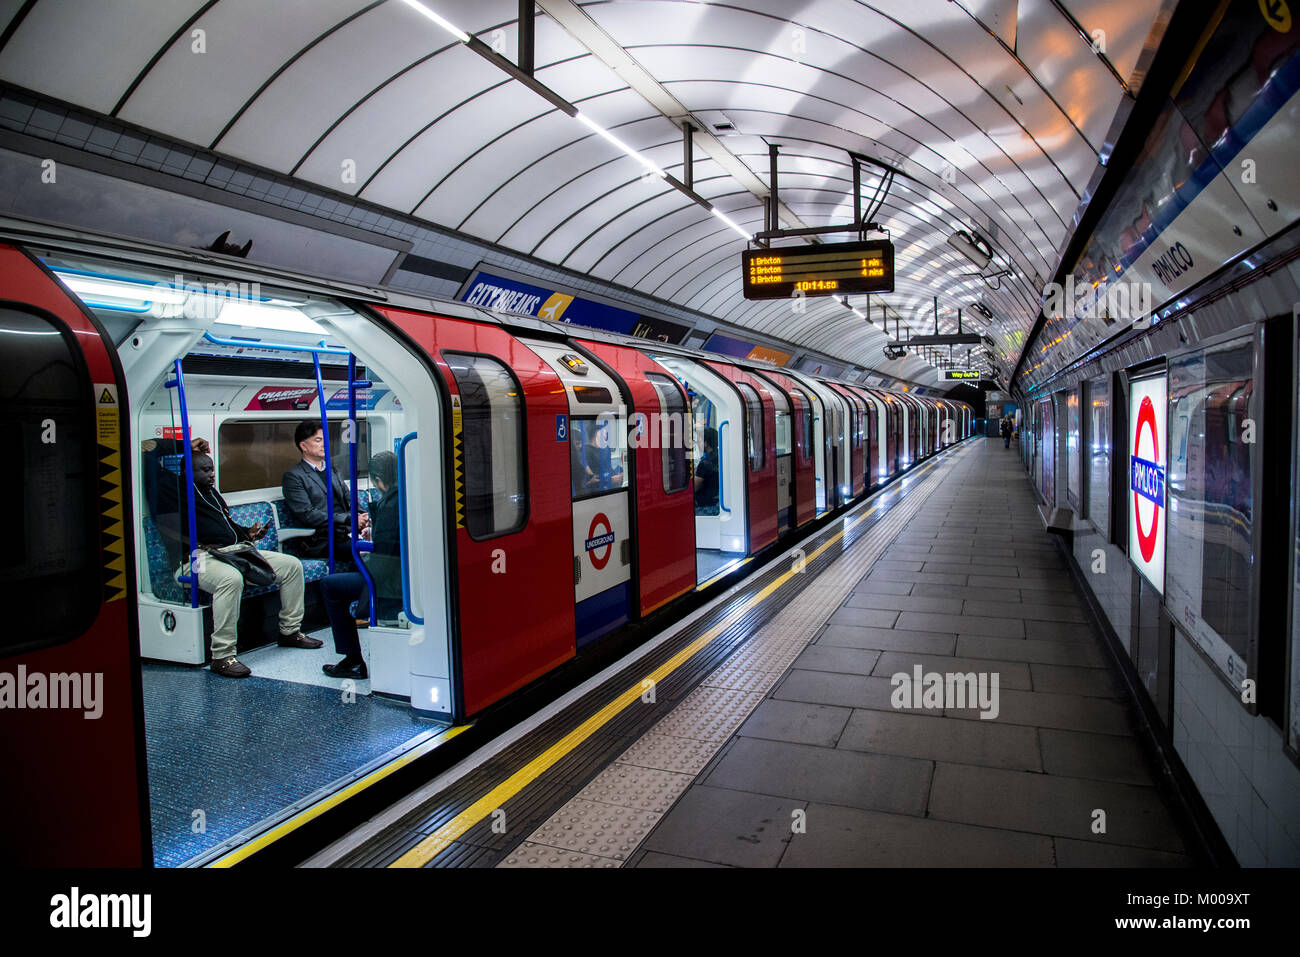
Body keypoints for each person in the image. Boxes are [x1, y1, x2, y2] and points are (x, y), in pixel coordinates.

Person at [151, 436, 320, 679]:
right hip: (195, 560)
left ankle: (290, 632)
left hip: (234, 551)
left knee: (292, 566)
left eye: (212, 469)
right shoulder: (174, 490)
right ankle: (222, 656)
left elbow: (226, 527)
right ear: (187, 471)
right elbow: (148, 453)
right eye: (205, 470)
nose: (212, 475)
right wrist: (184, 446)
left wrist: (247, 533)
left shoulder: (212, 494)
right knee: (230, 579)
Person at [317, 451, 402, 679]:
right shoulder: (406, 495)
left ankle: (352, 659)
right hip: (401, 573)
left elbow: (384, 554)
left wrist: (367, 544)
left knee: (330, 586)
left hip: (391, 581)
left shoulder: (389, 504)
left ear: (378, 481)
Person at [281, 420, 368, 568]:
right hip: (320, 539)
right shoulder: (294, 477)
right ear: (303, 446)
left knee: (386, 544)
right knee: (364, 551)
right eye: (318, 440)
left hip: (345, 531)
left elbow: (349, 498)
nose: (324, 444)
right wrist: (349, 519)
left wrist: (363, 516)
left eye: (325, 440)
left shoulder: (332, 470)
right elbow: (309, 515)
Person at [694, 426, 719, 514]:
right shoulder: (720, 457)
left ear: (705, 443)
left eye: (699, 441)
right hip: (717, 503)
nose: (697, 443)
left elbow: (694, 488)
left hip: (706, 506)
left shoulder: (705, 464)